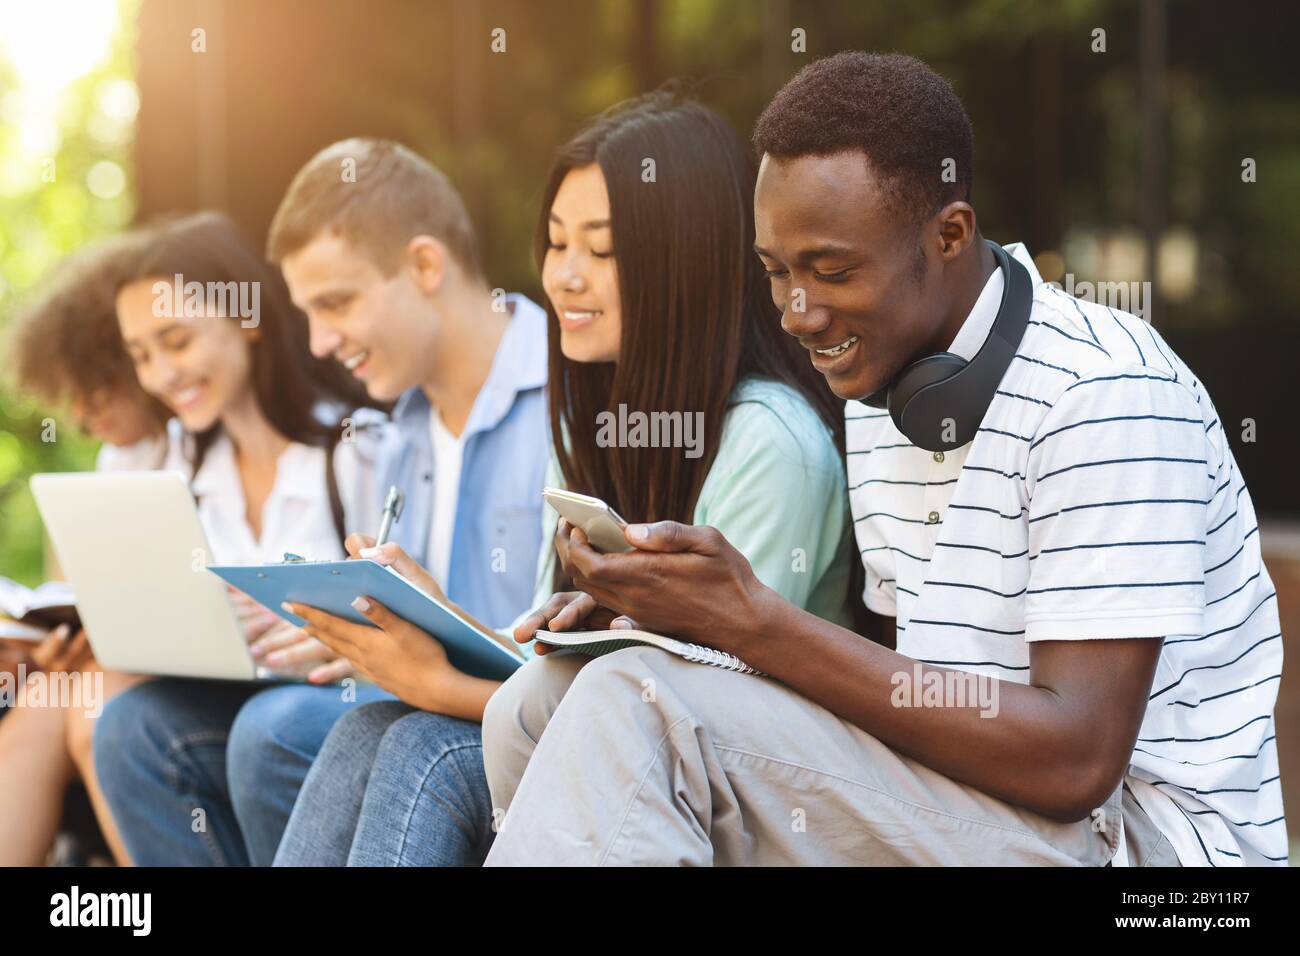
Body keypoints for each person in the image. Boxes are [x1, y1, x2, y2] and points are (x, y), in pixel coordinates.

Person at [480, 53, 1288, 867]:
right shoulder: (879, 390)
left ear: (949, 235)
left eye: (831, 270)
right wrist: (670, 625)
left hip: (1153, 854)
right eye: (776, 273)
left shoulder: (1105, 392)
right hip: (966, 802)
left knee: (637, 706)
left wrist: (754, 622)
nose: (798, 313)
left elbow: (1076, 760)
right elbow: (906, 693)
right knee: (539, 703)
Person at [272, 92, 857, 866]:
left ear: (683, 257)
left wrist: (438, 684)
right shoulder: (590, 424)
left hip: (742, 805)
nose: (565, 278)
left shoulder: (768, 444)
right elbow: (562, 673)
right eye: (555, 245)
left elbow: (683, 720)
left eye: (602, 250)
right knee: (361, 730)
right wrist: (438, 619)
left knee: (426, 750)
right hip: (616, 757)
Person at [96, 140, 553, 865]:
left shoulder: (573, 394)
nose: (318, 341)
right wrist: (340, 628)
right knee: (138, 725)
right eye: (307, 311)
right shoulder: (391, 428)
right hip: (411, 698)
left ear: (425, 266)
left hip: (497, 716)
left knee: (286, 733)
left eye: (335, 304)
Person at [90, 212, 392, 866]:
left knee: (268, 730)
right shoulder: (184, 467)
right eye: (141, 355)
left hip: (350, 695)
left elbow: (420, 603)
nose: (160, 374)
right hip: (246, 694)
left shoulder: (357, 449)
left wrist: (332, 627)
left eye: (176, 340)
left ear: (246, 318)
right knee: (124, 728)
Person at [0, 230, 170, 866]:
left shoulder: (199, 447)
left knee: (86, 710)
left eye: (91, 391)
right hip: (109, 666)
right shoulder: (115, 461)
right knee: (43, 700)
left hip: (166, 677)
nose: (77, 415)